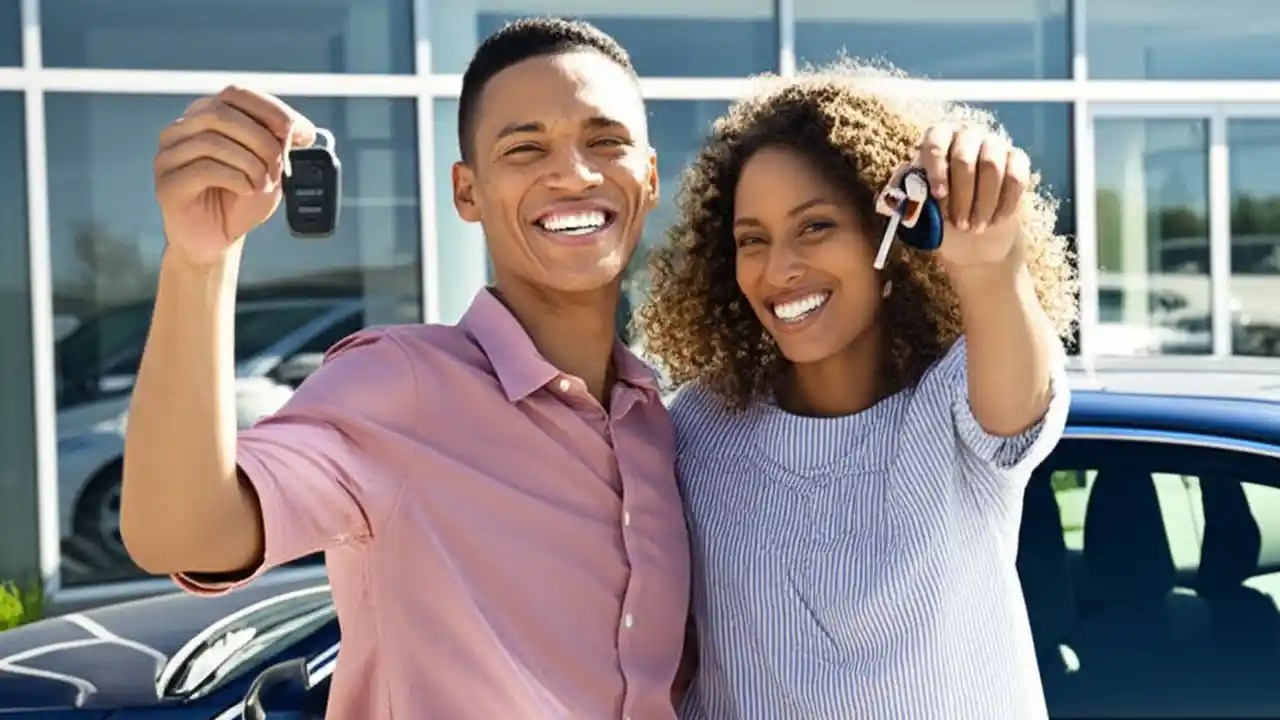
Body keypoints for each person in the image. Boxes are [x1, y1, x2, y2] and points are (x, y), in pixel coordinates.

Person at [120, 17, 690, 720]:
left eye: (605, 142)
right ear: (467, 192)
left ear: (651, 177)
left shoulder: (662, 427)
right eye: (525, 147)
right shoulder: (400, 386)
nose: (573, 173)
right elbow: (181, 533)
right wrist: (201, 262)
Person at [638, 63, 1079, 719]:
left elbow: (1019, 410)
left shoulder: (954, 403)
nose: (779, 269)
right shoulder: (699, 429)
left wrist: (989, 262)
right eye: (751, 240)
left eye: (815, 226)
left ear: (892, 240)